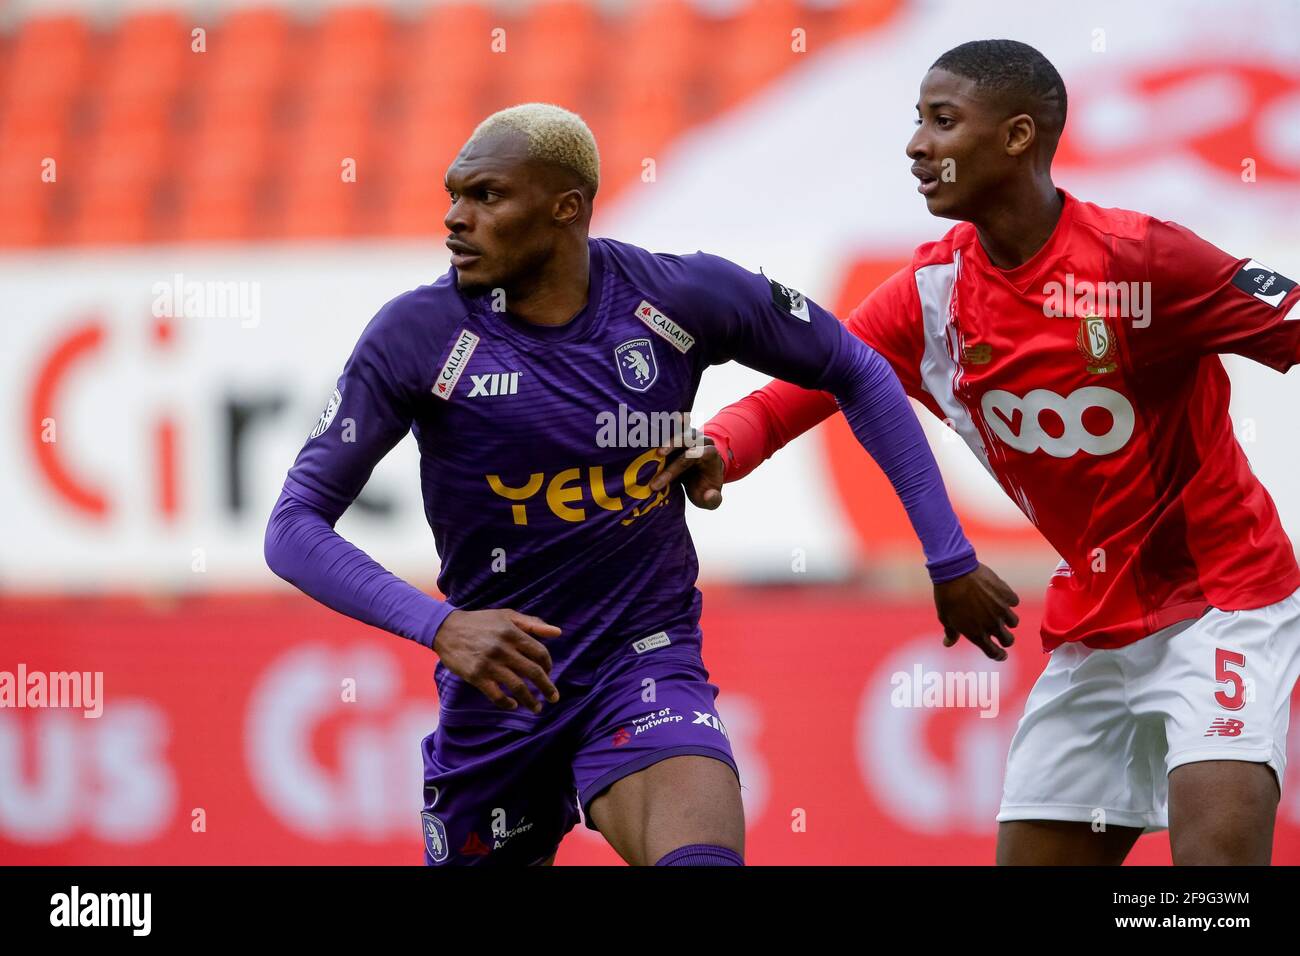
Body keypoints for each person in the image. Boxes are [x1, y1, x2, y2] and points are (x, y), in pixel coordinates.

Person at [263, 103, 1018, 866]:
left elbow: (856, 367)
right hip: (498, 702)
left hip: (643, 663)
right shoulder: (417, 336)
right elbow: (293, 526)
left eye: (487, 196)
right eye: (454, 195)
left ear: (567, 208)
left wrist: (948, 556)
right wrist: (441, 627)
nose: (456, 219)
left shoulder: (678, 299)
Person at [670, 39, 1300, 865]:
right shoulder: (927, 299)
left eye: (942, 120)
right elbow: (806, 384)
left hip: (1227, 598)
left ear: (1017, 136)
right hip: (1099, 624)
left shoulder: (1142, 260)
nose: (916, 145)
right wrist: (719, 446)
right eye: (916, 121)